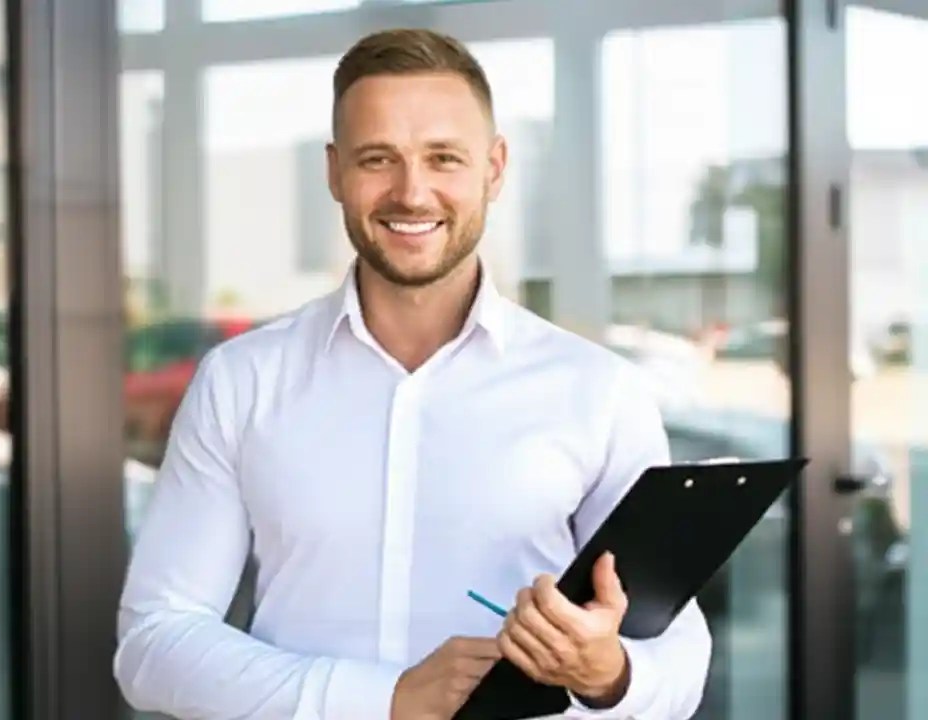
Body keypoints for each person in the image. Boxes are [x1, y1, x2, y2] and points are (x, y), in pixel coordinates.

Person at [114, 28, 712, 720]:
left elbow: (679, 659)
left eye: (444, 158)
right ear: (334, 172)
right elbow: (154, 643)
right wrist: (388, 700)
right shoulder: (241, 382)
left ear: (494, 169)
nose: (412, 191)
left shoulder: (599, 392)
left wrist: (610, 672)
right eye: (378, 159)